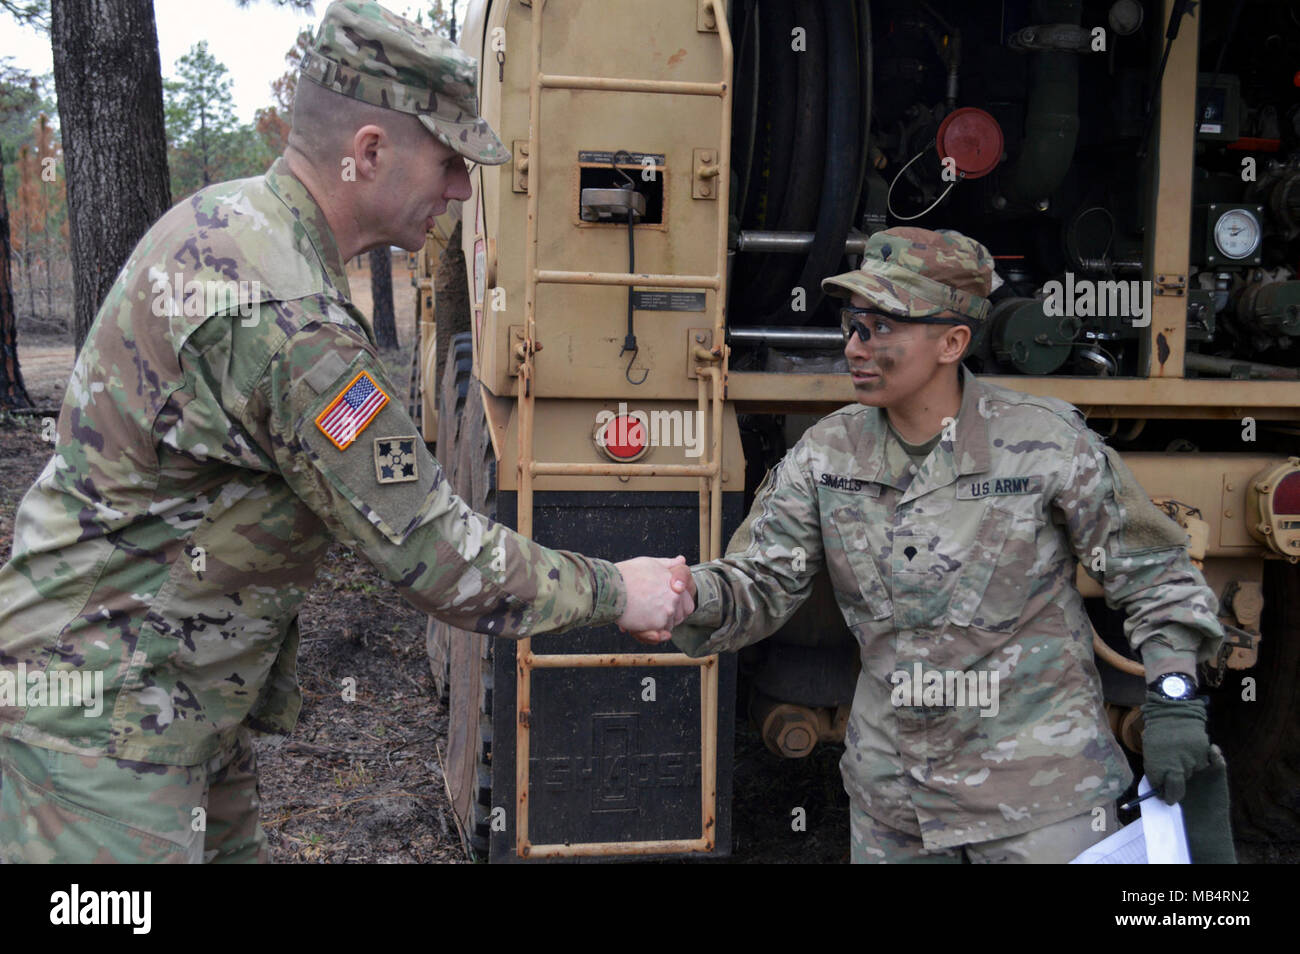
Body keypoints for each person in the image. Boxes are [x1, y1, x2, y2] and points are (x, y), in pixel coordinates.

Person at [0, 0, 692, 864]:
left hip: (161, 708)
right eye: (448, 163)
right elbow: (435, 552)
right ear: (368, 153)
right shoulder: (289, 320)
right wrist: (617, 591)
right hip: (105, 740)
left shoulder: (233, 225)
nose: (461, 191)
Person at [635, 226, 1225, 863]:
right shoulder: (828, 454)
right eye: (853, 323)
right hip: (895, 808)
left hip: (1041, 804)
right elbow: (763, 581)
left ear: (952, 342)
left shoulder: (1047, 445)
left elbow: (1152, 572)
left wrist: (1174, 698)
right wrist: (684, 593)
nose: (855, 345)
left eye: (883, 327)